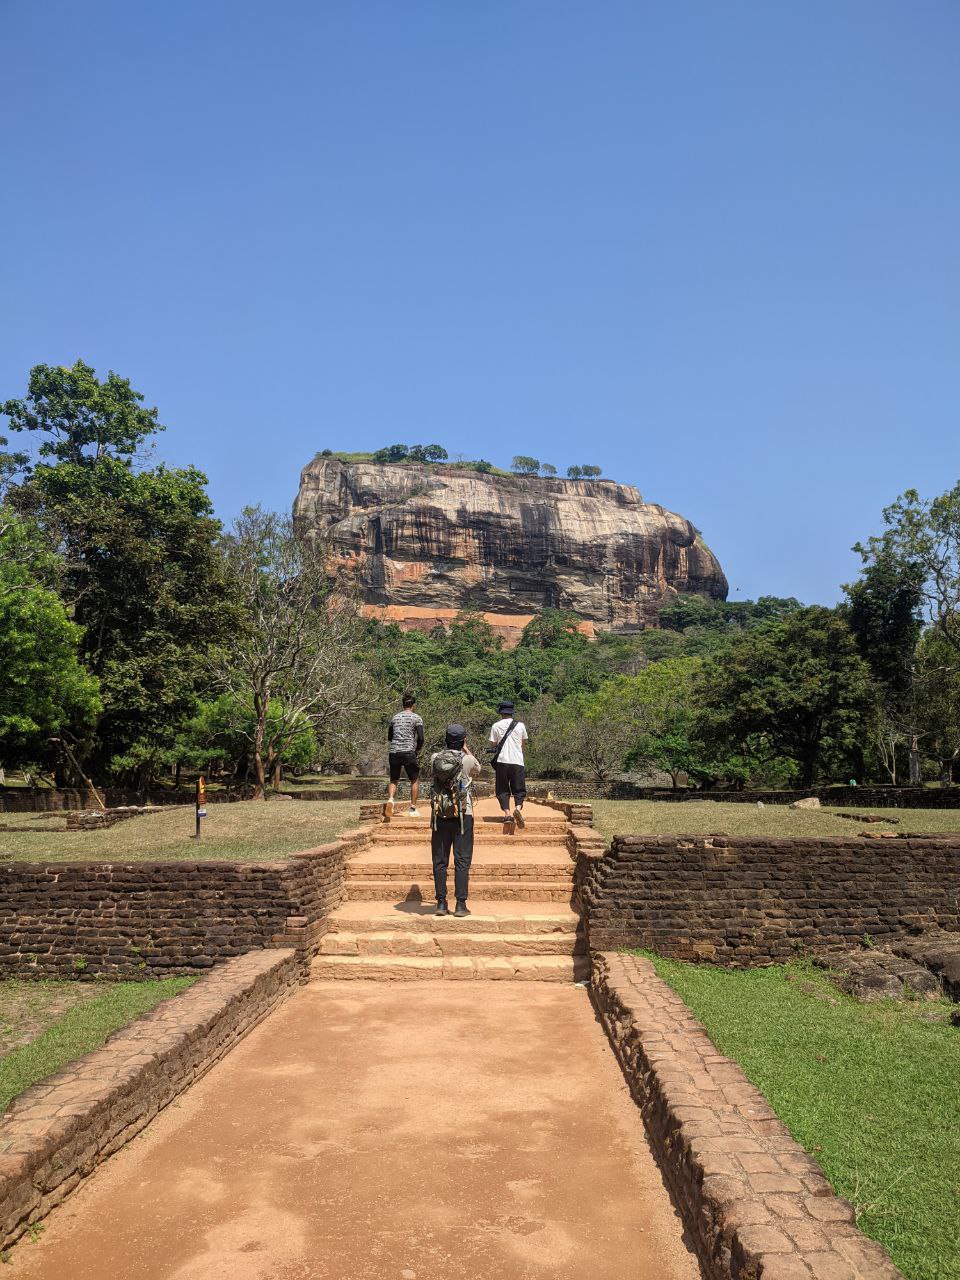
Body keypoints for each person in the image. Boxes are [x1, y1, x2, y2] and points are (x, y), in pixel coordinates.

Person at [429, 724, 481, 917]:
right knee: (462, 859)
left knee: (440, 860)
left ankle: (441, 903)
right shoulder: (467, 759)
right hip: (463, 814)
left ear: (446, 740)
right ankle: (460, 904)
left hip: (439, 813)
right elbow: (478, 769)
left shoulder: (435, 758)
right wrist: (466, 749)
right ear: (463, 740)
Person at [488, 699, 529, 827]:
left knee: (502, 789)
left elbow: (493, 744)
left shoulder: (496, 726)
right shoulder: (521, 725)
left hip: (502, 761)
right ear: (512, 712)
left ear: (501, 712)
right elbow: (522, 744)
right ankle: (517, 809)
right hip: (517, 761)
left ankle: (507, 815)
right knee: (519, 788)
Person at [385, 692, 424, 818]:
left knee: (394, 779)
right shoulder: (416, 718)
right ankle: (412, 808)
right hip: (408, 752)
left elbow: (390, 737)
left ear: (403, 705)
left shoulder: (395, 718)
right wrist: (417, 750)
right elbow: (421, 738)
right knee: (414, 779)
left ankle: (391, 799)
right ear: (413, 705)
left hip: (394, 751)